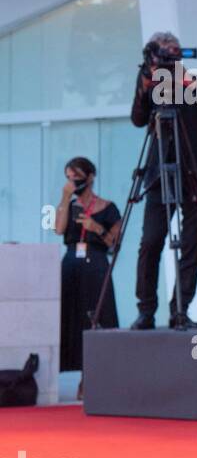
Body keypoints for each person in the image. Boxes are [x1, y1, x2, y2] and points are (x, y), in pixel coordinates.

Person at [130, 31, 197, 330]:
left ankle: (180, 310)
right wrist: (147, 85)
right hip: (160, 172)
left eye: (175, 51)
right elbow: (137, 118)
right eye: (165, 52)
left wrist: (188, 83)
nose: (170, 57)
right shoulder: (150, 79)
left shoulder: (195, 80)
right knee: (150, 241)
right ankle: (146, 310)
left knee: (192, 243)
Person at [55, 157, 121, 400]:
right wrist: (64, 198)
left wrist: (96, 228)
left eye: (77, 177)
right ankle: (64, 373)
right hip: (72, 263)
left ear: (90, 177)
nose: (73, 182)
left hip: (96, 265)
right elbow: (59, 230)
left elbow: (115, 243)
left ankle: (91, 378)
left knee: (96, 318)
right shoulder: (68, 205)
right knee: (69, 318)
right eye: (69, 177)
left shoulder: (108, 207)